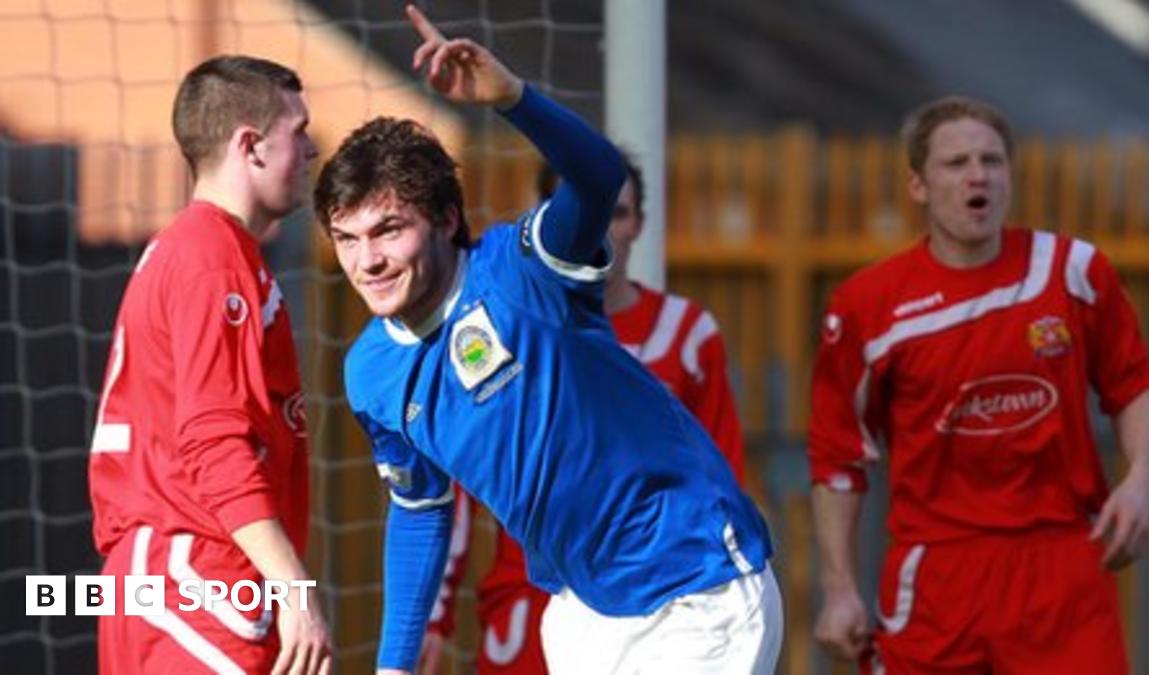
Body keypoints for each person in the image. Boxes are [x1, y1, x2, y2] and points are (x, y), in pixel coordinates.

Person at [314, 5, 781, 674]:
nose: (368, 261)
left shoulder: (524, 267)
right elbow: (419, 509)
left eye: (389, 230)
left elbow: (599, 179)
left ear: (446, 218)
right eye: (347, 238)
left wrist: (513, 98)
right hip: (581, 610)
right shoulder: (371, 371)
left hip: (693, 584)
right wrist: (395, 665)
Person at [807, 95, 1149, 674]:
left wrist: (1143, 480)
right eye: (957, 163)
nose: (978, 176)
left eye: (992, 161)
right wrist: (840, 587)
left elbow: (1133, 385)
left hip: (1061, 567)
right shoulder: (868, 306)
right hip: (937, 575)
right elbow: (838, 458)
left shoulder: (1072, 271)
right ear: (918, 185)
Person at [418, 155, 749, 675]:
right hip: (532, 592)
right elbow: (457, 488)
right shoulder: (502, 329)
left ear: (639, 224)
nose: (600, 227)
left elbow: (724, 477)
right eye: (581, 209)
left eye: (616, 213)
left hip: (662, 592)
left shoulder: (688, 334)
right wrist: (432, 618)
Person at [88, 55, 331, 674]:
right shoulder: (212, 260)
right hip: (196, 578)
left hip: (161, 579)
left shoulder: (198, 250)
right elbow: (214, 440)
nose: (311, 149)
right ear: (250, 146)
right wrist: (294, 590)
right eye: (298, 130)